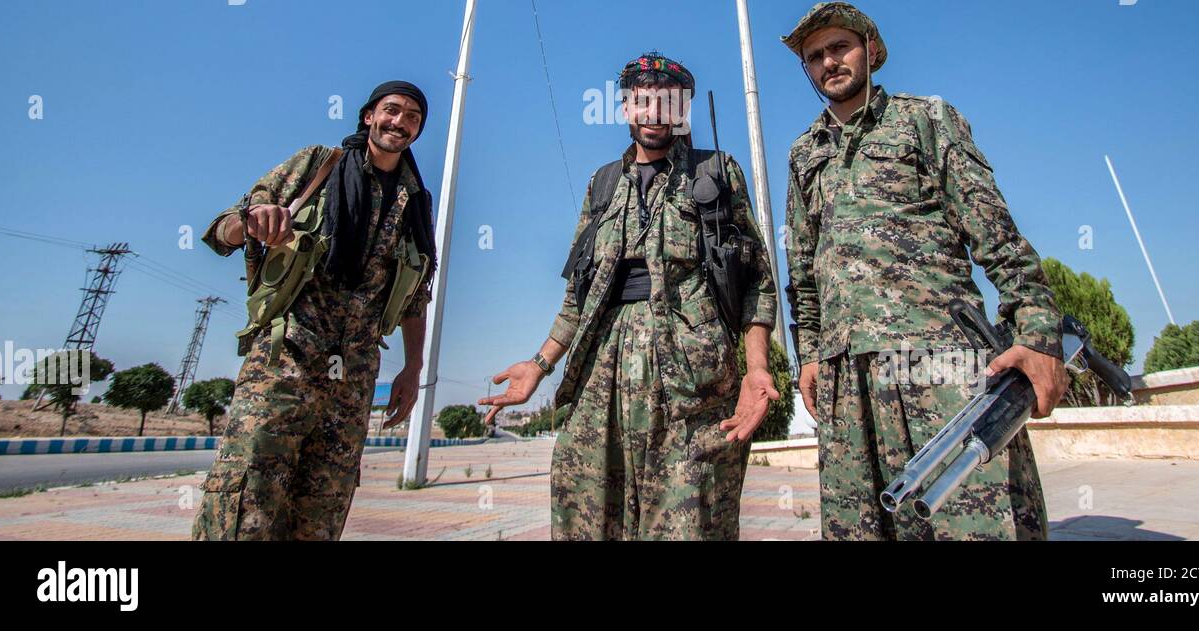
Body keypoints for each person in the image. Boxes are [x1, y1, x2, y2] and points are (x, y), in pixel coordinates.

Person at [781, 2, 1068, 540]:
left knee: (976, 522)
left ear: (869, 48)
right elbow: (803, 270)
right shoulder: (804, 154)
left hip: (940, 363)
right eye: (814, 56)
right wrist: (812, 355)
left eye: (839, 46)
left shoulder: (925, 119)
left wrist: (1038, 333)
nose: (828, 62)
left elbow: (995, 232)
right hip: (848, 379)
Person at [481, 51, 779, 539]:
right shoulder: (602, 184)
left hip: (691, 384)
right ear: (625, 108)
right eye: (643, 101)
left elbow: (757, 282)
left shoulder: (715, 173)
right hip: (602, 375)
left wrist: (757, 368)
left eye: (667, 102)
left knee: (690, 521)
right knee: (588, 517)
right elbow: (580, 292)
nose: (654, 113)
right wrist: (540, 363)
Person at [192, 81, 436, 541]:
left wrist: (413, 366)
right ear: (369, 116)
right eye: (392, 111)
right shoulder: (317, 166)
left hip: (352, 380)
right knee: (248, 500)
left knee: (321, 513)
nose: (400, 123)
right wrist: (250, 223)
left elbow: (416, 296)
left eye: (412, 118)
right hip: (283, 365)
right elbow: (222, 228)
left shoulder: (415, 202)